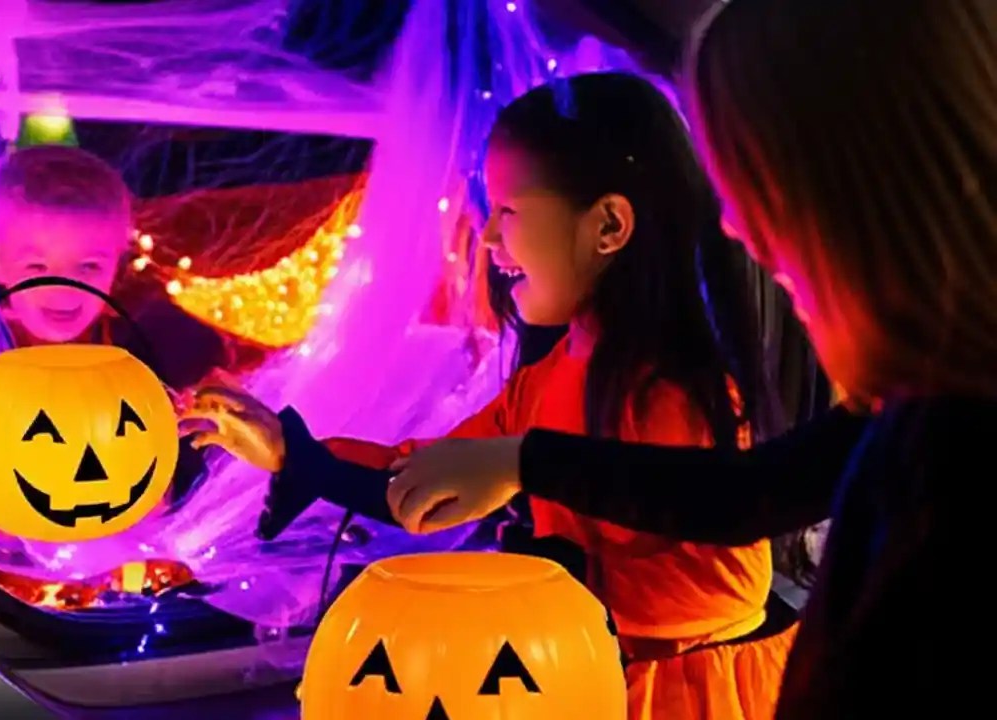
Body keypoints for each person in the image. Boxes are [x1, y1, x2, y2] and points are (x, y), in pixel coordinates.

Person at [387, 1, 997, 716]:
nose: (739, 226)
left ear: (870, 190)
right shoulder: (912, 413)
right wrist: (524, 463)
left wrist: (527, 467)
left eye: (758, 185)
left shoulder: (956, 454)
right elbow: (747, 494)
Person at [185, 72, 794, 720]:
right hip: (585, 674)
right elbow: (438, 474)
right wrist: (295, 454)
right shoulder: (550, 372)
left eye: (508, 211)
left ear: (608, 225)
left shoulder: (672, 392)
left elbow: (627, 545)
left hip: (693, 695)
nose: (491, 240)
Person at [0, 144, 229, 505]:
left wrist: (200, 426)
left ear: (115, 267)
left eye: (88, 267)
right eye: (38, 268)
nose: (65, 288)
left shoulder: (148, 345)